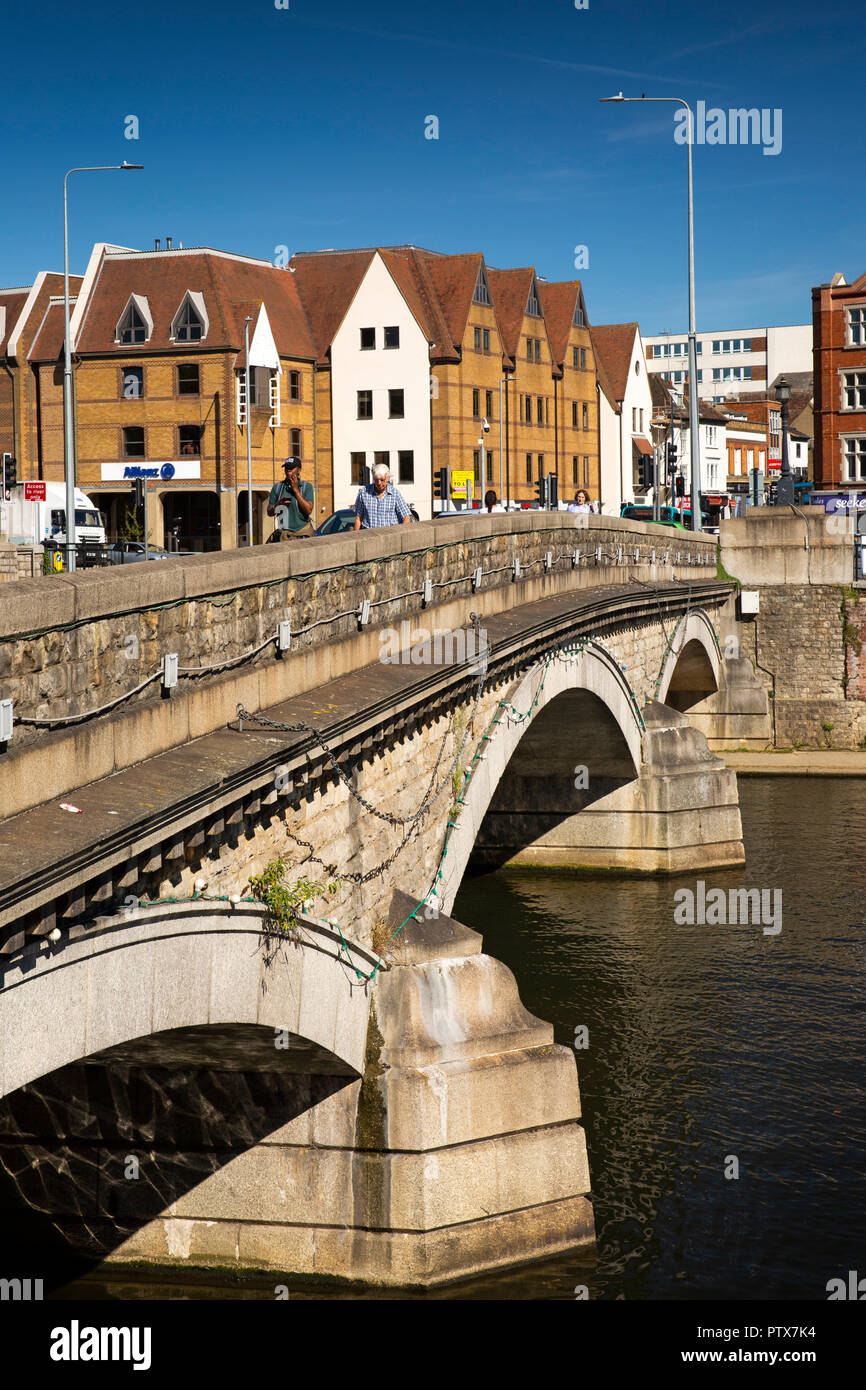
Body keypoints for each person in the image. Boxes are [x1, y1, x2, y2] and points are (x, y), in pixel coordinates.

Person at [267, 457, 314, 541]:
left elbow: (308, 510)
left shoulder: (307, 487)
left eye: (291, 468)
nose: (288, 470)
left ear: (299, 470)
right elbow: (269, 512)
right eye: (286, 468)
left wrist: (296, 490)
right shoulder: (277, 487)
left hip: (302, 535)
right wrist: (277, 506)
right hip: (284, 535)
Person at [353, 463, 412, 529]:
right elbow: (358, 518)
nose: (379, 483)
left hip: (389, 536)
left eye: (382, 480)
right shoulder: (363, 493)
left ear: (388, 478)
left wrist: (400, 534)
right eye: (376, 479)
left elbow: (406, 517)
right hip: (369, 536)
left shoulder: (395, 494)